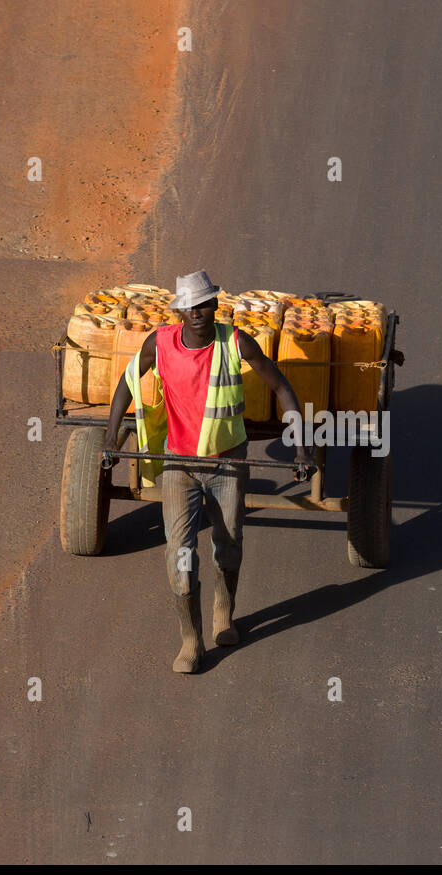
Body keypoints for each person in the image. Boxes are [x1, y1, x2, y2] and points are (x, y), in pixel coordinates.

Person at [104, 270, 315, 673]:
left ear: (215, 305)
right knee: (180, 558)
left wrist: (302, 448)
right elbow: (126, 385)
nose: (198, 312)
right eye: (191, 306)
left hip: (227, 464)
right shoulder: (159, 344)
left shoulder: (236, 342)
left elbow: (282, 388)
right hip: (179, 467)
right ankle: (191, 641)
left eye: (205, 304)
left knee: (229, 542)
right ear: (180, 311)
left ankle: (223, 609)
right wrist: (111, 439)